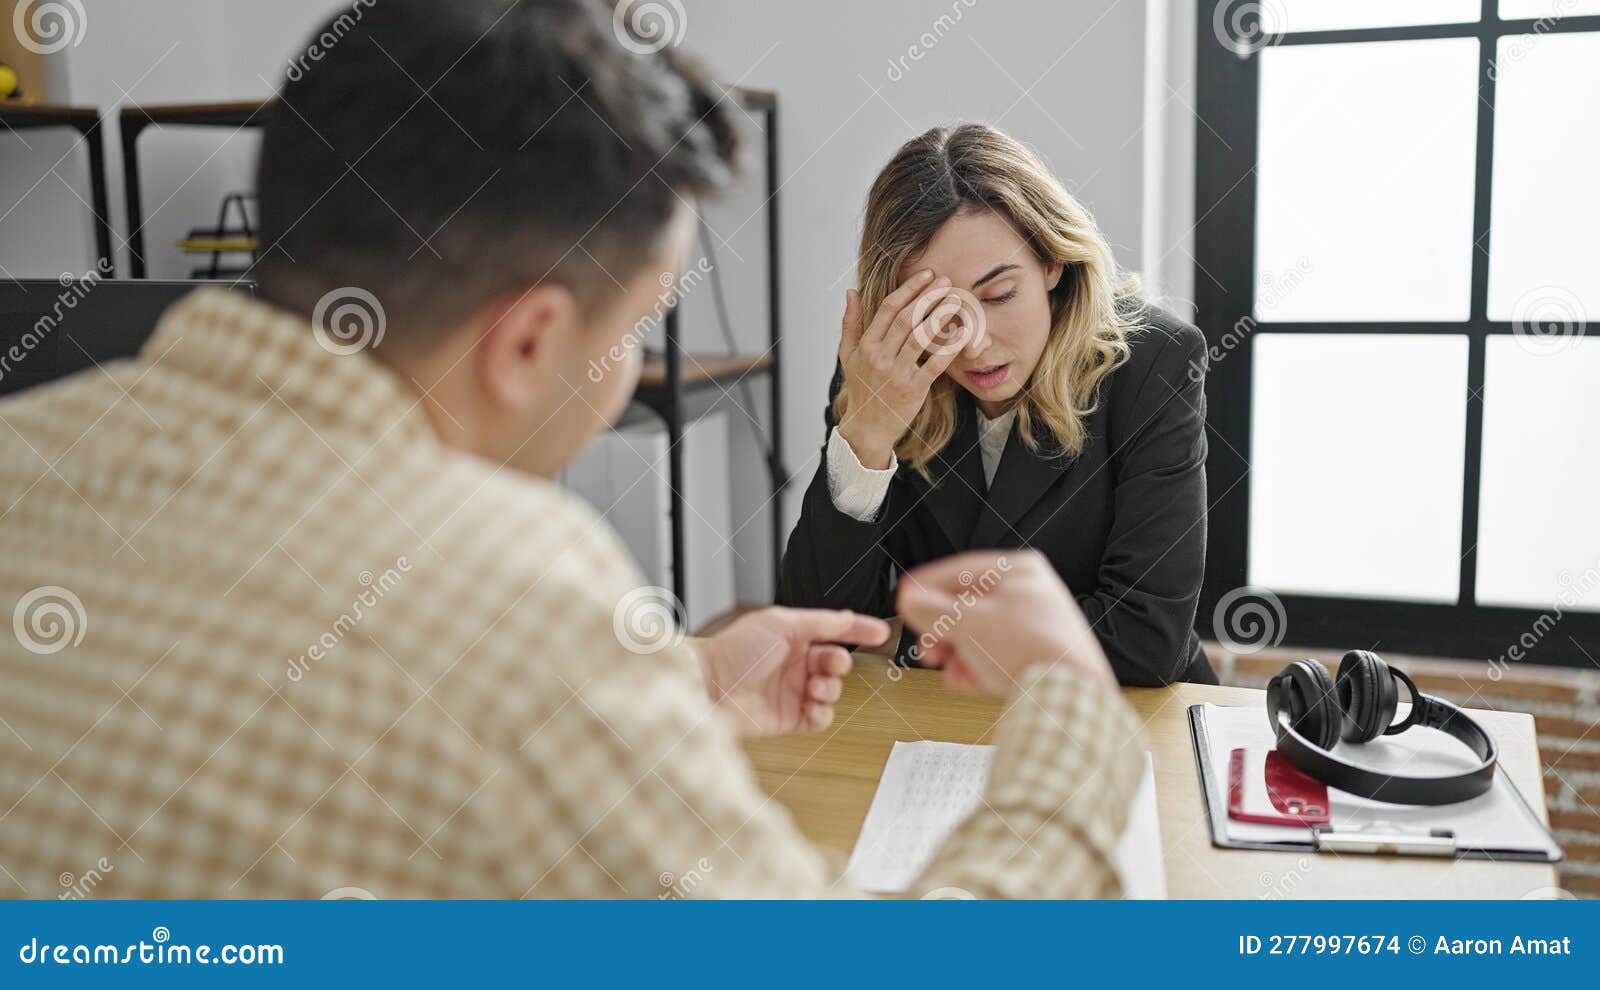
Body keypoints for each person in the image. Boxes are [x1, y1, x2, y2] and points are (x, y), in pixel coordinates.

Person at [0, 0, 1142, 899]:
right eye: (637, 327)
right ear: (534, 338)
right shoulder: (516, 595)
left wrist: (665, 691)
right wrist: (1069, 713)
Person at [777, 124, 1217, 686]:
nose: (974, 343)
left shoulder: (1155, 362)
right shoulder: (883, 370)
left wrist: (916, 637)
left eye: (999, 295)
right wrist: (866, 438)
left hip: (1129, 717)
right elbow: (821, 627)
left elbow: (1145, 642)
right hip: (939, 719)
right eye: (939, 312)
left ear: (1053, 264)